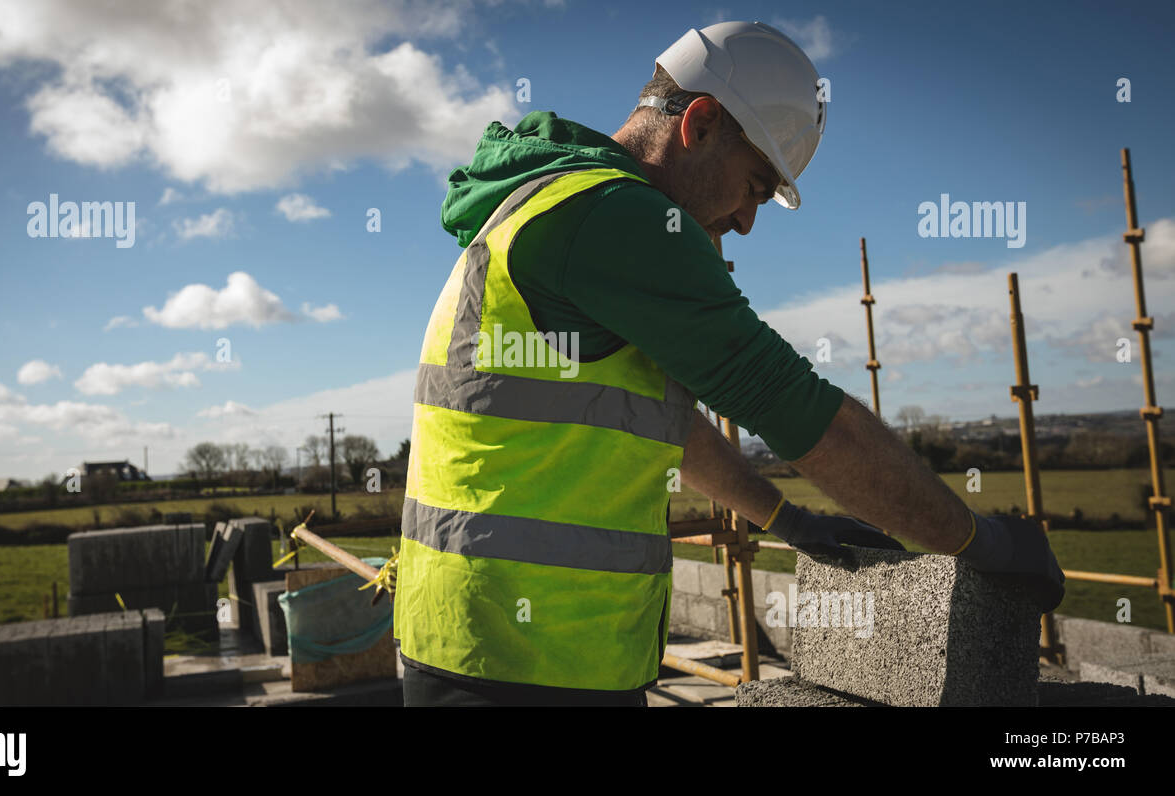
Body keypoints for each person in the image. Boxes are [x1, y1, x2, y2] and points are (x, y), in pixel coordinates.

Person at [394, 21, 1064, 707]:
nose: (747, 221)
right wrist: (979, 541)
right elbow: (792, 407)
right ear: (703, 122)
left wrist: (786, 519)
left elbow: (657, 421)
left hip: (485, 642)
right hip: (521, 664)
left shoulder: (550, 203)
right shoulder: (613, 217)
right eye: (754, 184)